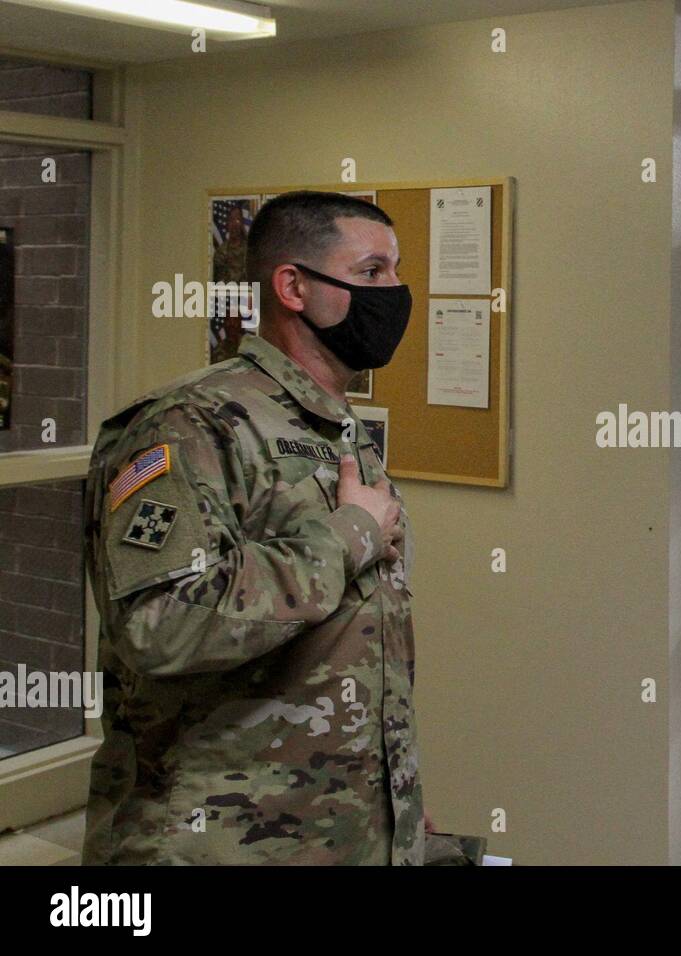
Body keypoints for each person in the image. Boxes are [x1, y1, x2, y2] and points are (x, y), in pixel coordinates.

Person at [83, 191, 426, 864]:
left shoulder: (335, 424)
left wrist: (397, 807)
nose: (396, 293)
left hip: (342, 829)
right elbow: (161, 626)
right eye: (372, 272)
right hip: (219, 842)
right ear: (293, 286)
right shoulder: (188, 424)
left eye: (396, 271)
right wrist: (346, 535)